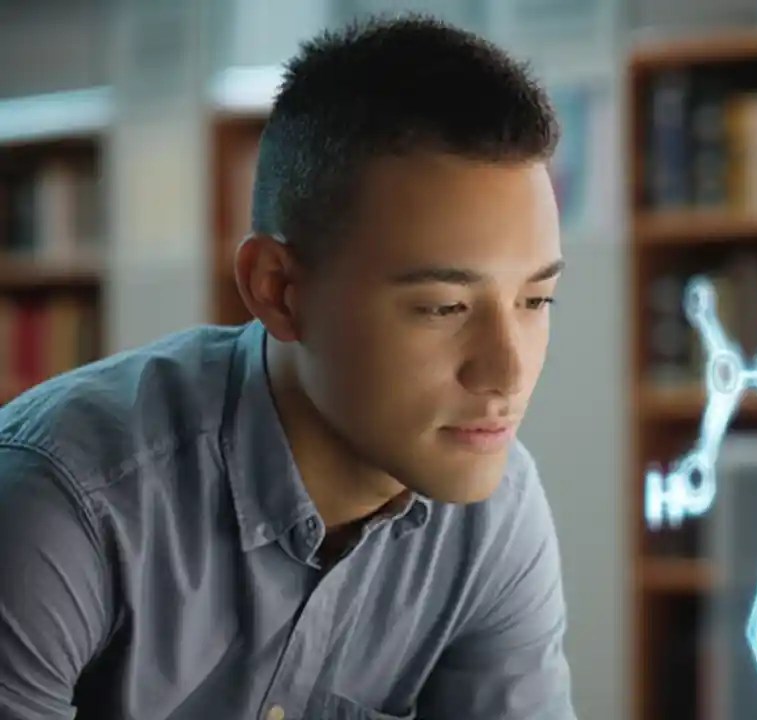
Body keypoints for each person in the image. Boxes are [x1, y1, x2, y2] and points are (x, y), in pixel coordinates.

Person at [0, 13, 575, 720]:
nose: (508, 373)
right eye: (443, 307)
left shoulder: (495, 515)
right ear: (279, 290)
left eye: (536, 299)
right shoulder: (58, 508)